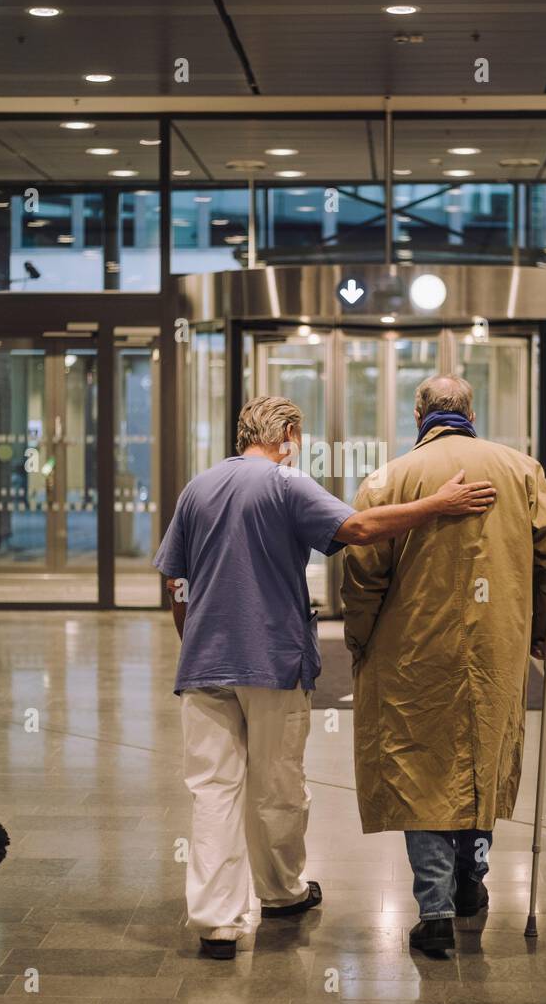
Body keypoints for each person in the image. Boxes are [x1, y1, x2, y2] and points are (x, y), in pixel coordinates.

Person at [154, 394, 497, 959]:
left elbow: (177, 586)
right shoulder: (284, 484)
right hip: (273, 662)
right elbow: (360, 528)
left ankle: (217, 924)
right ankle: (282, 893)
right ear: (286, 432)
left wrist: (196, 646)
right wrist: (439, 503)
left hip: (205, 666)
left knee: (213, 791)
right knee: (277, 789)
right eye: (299, 435)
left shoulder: (199, 488)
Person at [341, 374, 546, 956]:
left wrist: (359, 638)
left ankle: (436, 910)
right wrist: (543, 629)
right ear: (471, 410)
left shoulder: (390, 478)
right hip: (494, 644)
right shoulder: (521, 470)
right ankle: (473, 883)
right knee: (482, 754)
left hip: (411, 648)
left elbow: (363, 569)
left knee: (420, 768)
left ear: (418, 413)